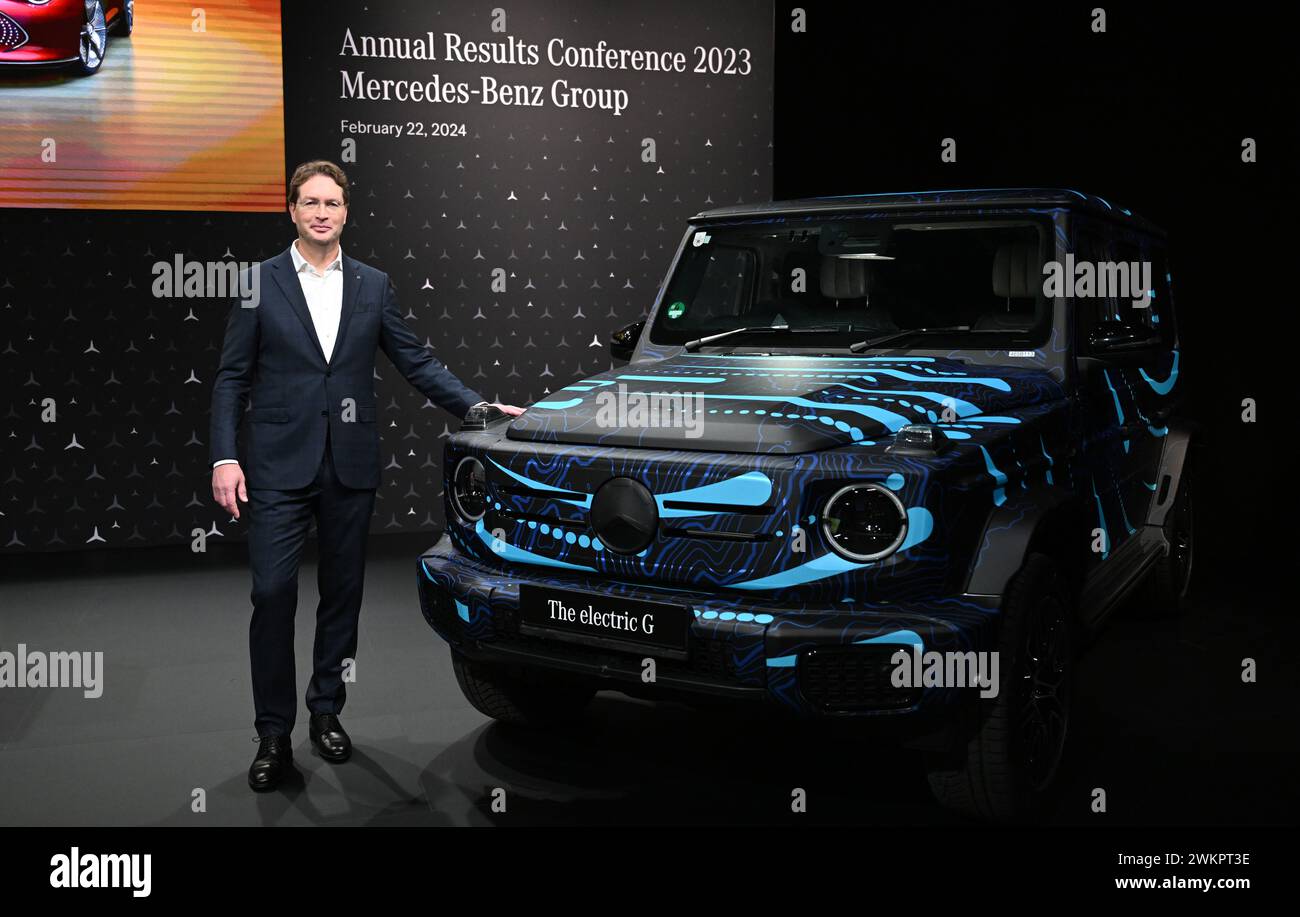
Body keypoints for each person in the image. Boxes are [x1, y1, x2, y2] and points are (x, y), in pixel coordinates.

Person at [209, 160, 524, 792]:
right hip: (275, 467)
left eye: (332, 202)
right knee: (272, 595)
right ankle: (272, 733)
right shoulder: (257, 283)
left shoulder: (373, 286)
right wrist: (225, 457)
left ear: (345, 213)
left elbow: (417, 360)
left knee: (342, 597)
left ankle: (326, 710)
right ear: (291, 211)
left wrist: (477, 407)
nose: (321, 211)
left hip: (349, 467)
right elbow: (230, 378)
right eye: (309, 202)